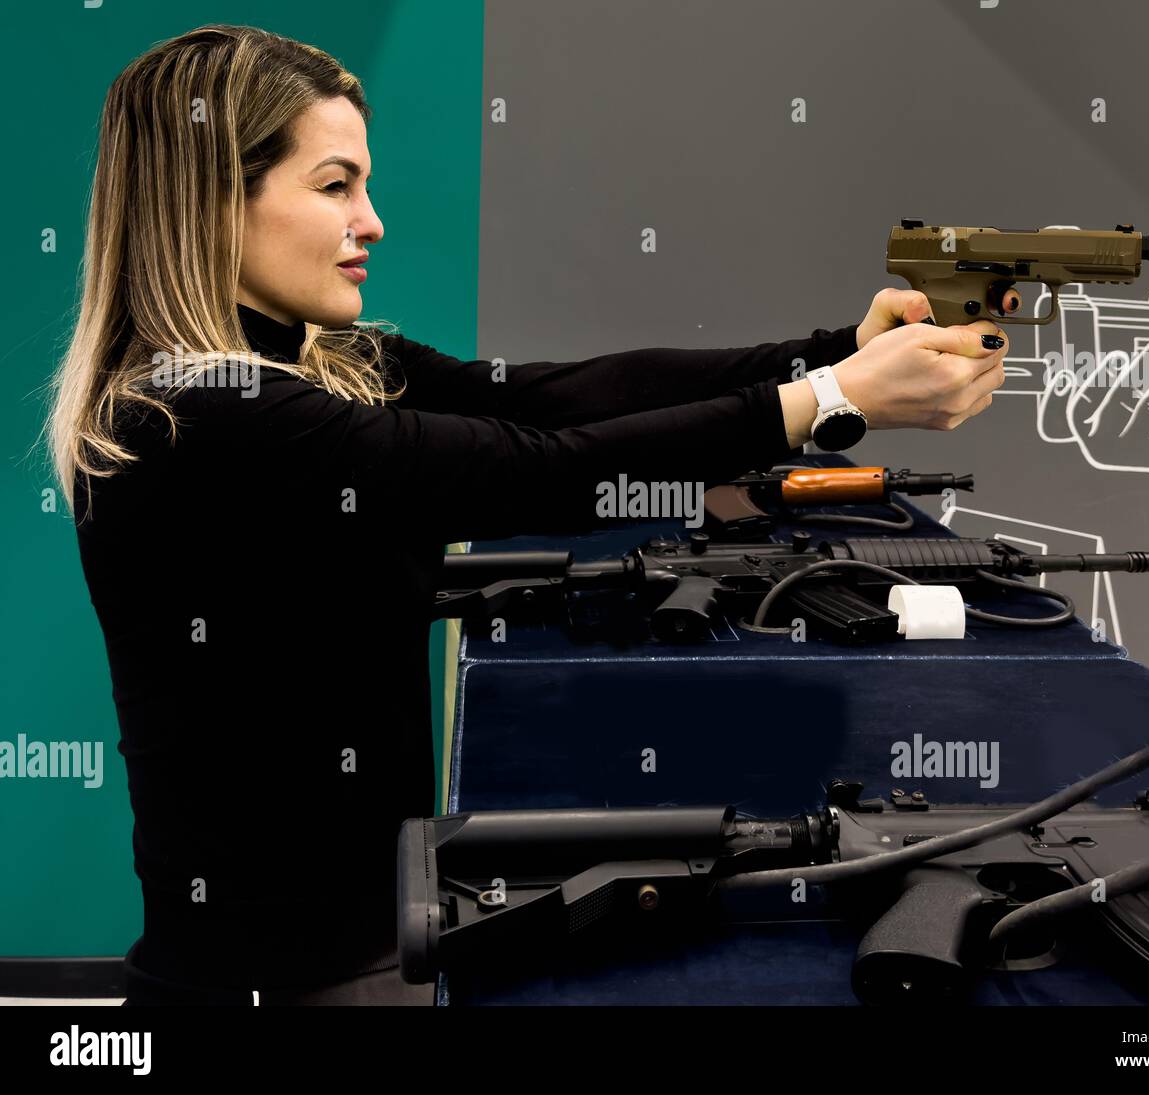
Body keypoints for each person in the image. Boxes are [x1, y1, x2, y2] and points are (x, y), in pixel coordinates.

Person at [45, 24, 1009, 1006]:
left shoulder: (320, 364)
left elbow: (568, 399)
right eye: (334, 186)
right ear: (211, 199)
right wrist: (835, 399)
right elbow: (551, 472)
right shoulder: (209, 414)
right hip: (281, 980)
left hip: (366, 935)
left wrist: (829, 354)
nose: (370, 222)